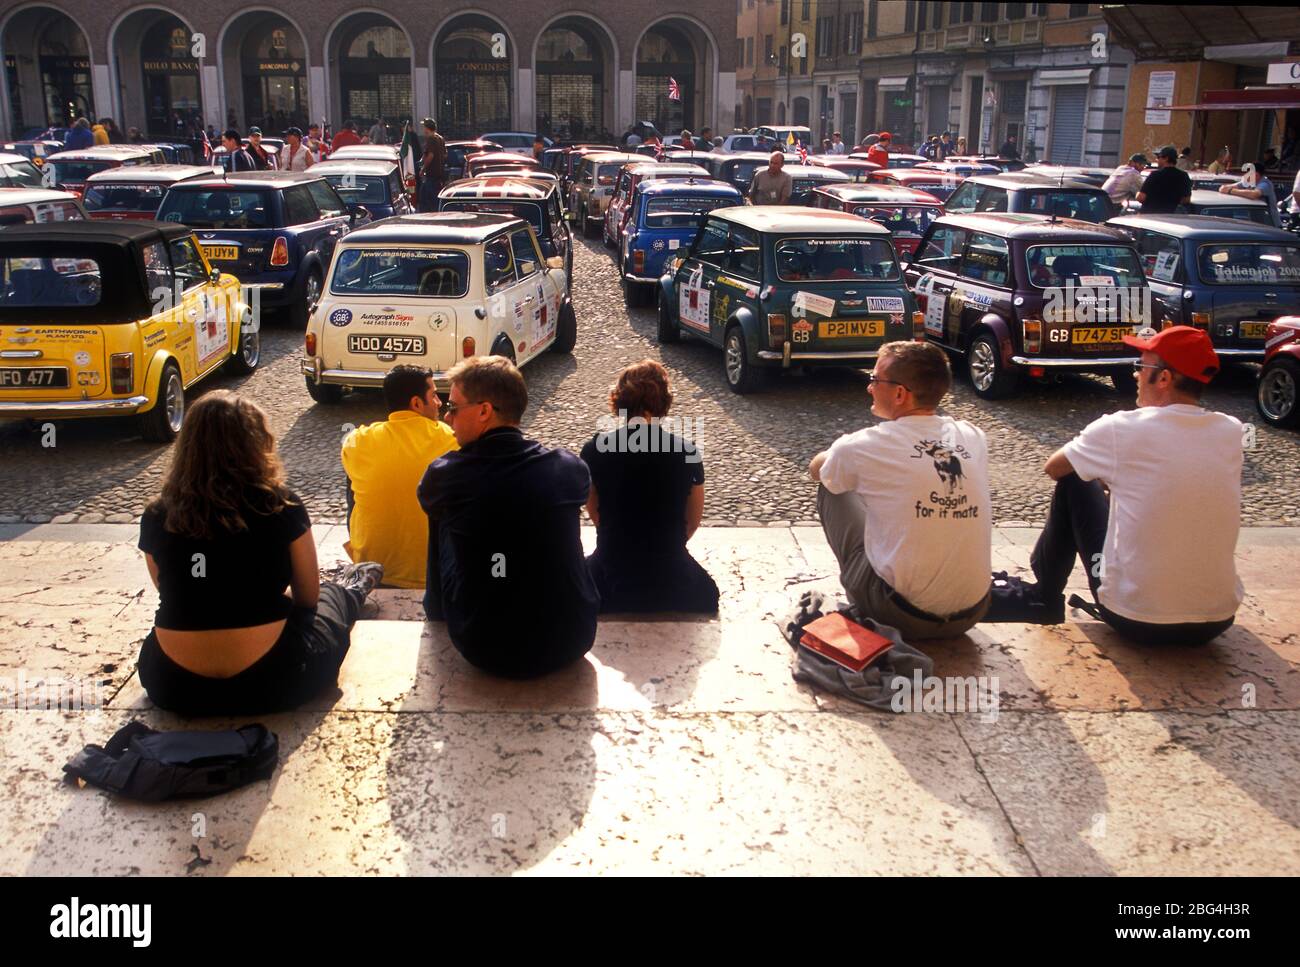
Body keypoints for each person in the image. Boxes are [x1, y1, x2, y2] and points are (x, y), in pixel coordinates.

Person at [135, 391, 383, 715]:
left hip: (174, 685)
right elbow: (308, 597)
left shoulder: (156, 514)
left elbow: (168, 587)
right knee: (330, 597)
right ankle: (349, 590)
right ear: (256, 442)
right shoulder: (281, 506)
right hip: (274, 681)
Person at [996, 327, 1242, 645]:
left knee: (1075, 478)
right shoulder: (1231, 430)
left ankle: (1045, 592)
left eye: (1142, 367)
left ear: (1164, 378)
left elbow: (1055, 467)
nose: (1136, 374)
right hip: (1216, 620)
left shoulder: (1120, 428)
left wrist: (1105, 477)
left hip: (1136, 618)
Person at [418, 356, 599, 679]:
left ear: (484, 411)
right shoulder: (568, 467)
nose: (447, 417)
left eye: (454, 408)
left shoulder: (446, 475)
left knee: (444, 518)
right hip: (573, 637)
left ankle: (437, 610)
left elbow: (431, 502)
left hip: (486, 645)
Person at [808, 342, 991, 639]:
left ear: (899, 394)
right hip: (973, 611)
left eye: (874, 379)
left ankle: (866, 589)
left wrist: (835, 454)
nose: (869, 387)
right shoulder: (973, 436)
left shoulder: (863, 446)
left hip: (899, 615)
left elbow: (818, 469)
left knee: (833, 485)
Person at [581, 360, 718, 614]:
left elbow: (596, 514)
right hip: (672, 579)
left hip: (612, 577)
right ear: (664, 401)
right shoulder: (687, 451)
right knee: (708, 593)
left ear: (619, 400)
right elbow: (693, 521)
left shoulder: (594, 450)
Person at [341, 365, 458, 590]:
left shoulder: (358, 440)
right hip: (430, 572)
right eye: (433, 395)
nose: (439, 402)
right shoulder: (450, 439)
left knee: (355, 489)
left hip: (374, 569)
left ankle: (359, 552)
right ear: (416, 403)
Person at [1220, 162, 1281, 227]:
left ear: (1256, 175)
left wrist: (1230, 191)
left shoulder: (1265, 184)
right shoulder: (1248, 182)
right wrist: (1229, 189)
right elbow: (1223, 188)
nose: (1244, 176)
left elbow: (1254, 194)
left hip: (1271, 224)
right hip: (1257, 223)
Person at [1137, 145, 1192, 214]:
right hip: (1168, 217)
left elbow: (1141, 197)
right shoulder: (1183, 176)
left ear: (1166, 158)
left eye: (1158, 157)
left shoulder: (1155, 175)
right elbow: (1186, 200)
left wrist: (1137, 194)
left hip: (1149, 216)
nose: (1157, 160)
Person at [418, 117, 445, 213]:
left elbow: (430, 155)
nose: (423, 129)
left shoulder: (431, 139)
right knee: (434, 198)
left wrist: (423, 169)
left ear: (427, 128)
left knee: (425, 199)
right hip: (439, 174)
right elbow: (445, 155)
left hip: (431, 174)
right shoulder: (440, 138)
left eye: (424, 127)